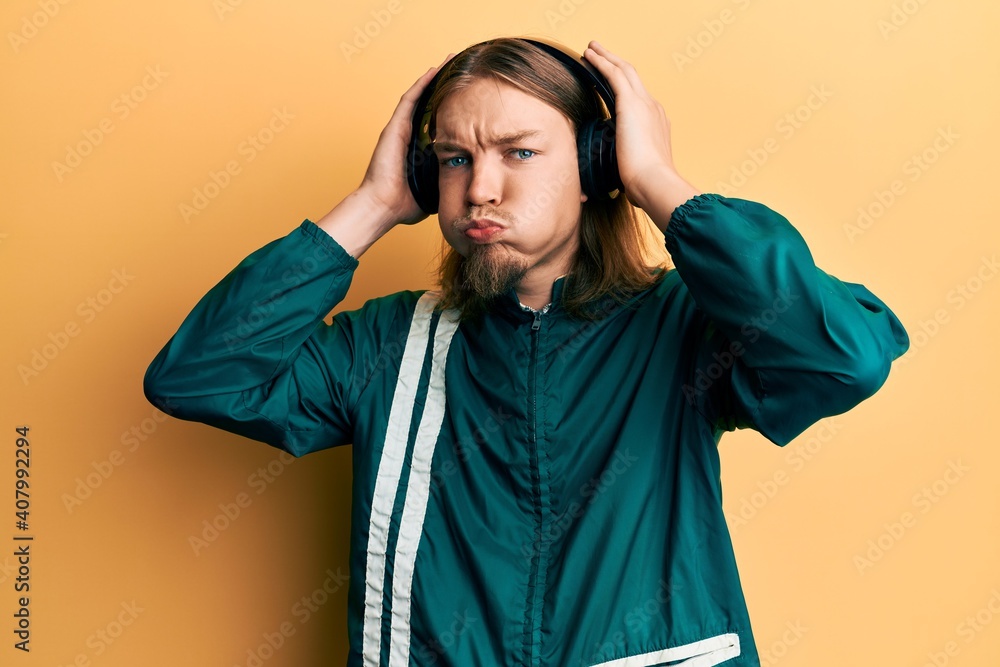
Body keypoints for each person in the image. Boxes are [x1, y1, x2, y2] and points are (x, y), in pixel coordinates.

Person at [144, 37, 909, 667]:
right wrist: (371, 205)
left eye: (519, 152)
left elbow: (842, 356)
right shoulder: (389, 344)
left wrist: (655, 181)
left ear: (596, 168)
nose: (480, 188)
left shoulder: (685, 327)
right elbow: (199, 375)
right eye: (454, 159)